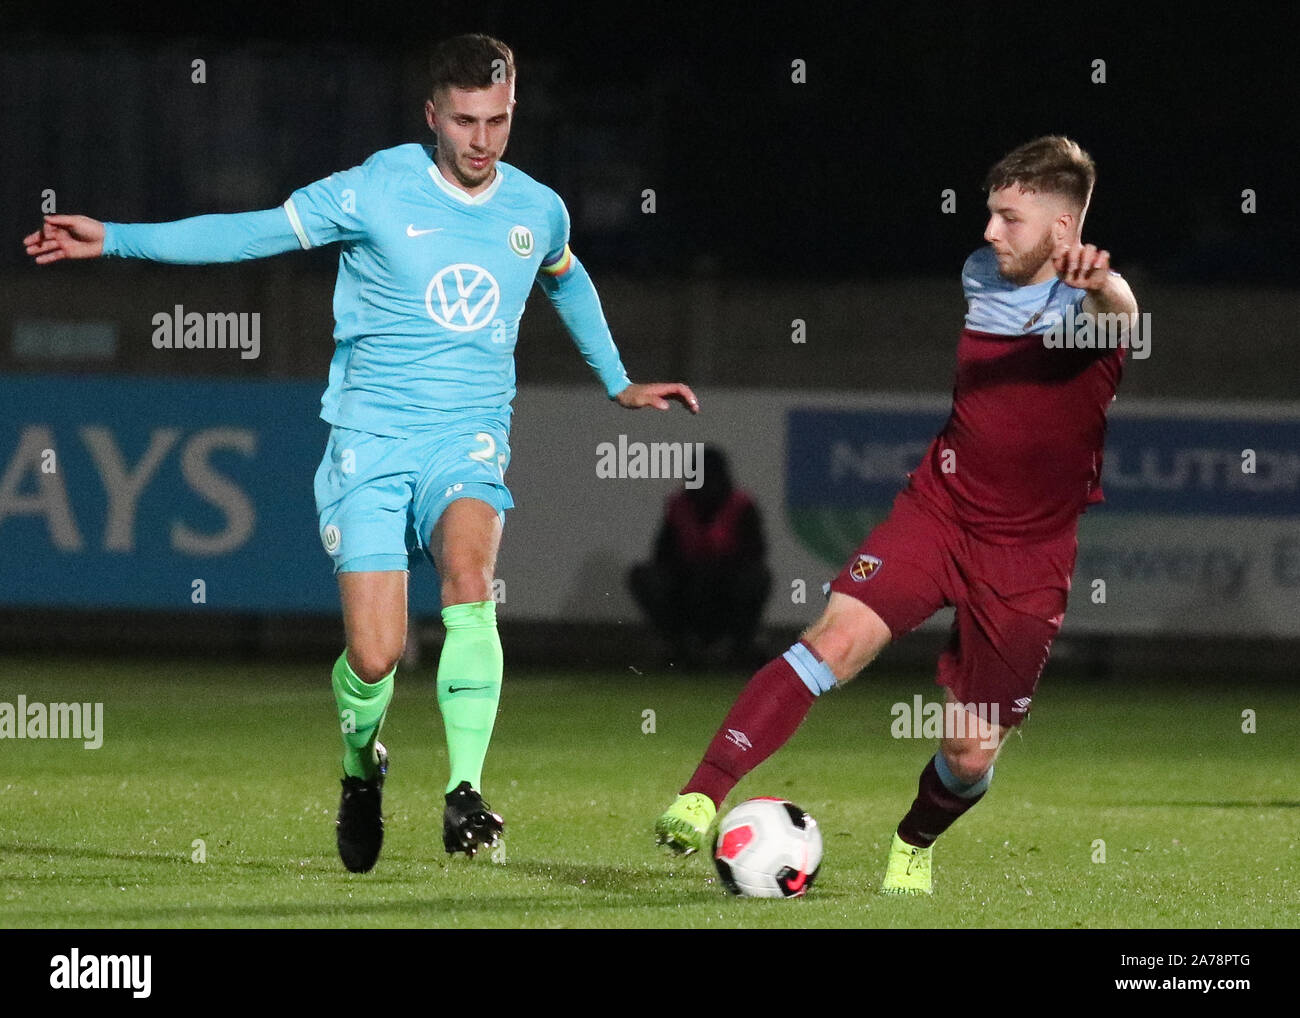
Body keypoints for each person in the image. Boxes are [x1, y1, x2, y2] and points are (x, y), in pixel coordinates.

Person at [25, 33, 698, 874]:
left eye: (496, 120)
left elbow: (566, 275)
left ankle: (465, 791)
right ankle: (360, 766)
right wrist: (118, 238)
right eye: (463, 122)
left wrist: (618, 381)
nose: (481, 140)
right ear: (432, 116)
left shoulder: (538, 207)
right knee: (376, 656)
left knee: (467, 576)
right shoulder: (375, 188)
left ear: (512, 110)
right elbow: (254, 234)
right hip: (369, 444)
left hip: (469, 440)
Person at [654, 136, 1137, 895]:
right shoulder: (986, 275)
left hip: (1028, 555)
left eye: (1010, 218)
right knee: (834, 641)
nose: (988, 233)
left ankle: (914, 838)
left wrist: (1103, 287)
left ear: (1064, 231)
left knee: (972, 753)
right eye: (989, 214)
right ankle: (703, 792)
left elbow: (1123, 319)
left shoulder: (1094, 312)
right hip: (938, 511)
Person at [628, 446, 770, 667]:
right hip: (685, 587)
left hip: (727, 588)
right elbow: (662, 554)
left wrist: (717, 568)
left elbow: (755, 554)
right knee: (644, 577)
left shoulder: (741, 506)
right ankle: (678, 645)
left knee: (756, 579)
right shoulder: (679, 506)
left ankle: (738, 647)